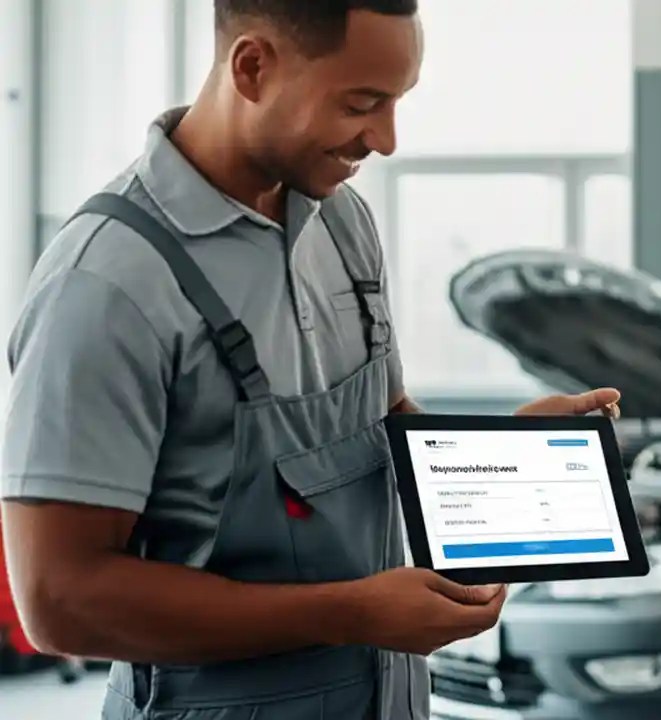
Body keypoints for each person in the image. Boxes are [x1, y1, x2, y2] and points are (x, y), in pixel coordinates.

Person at [0, 2, 620, 719]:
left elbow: (375, 431)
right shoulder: (106, 283)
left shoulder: (344, 222)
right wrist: (351, 615)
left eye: (397, 103)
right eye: (363, 104)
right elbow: (60, 602)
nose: (386, 140)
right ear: (253, 67)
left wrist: (506, 458)